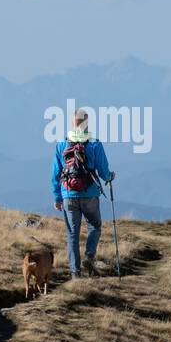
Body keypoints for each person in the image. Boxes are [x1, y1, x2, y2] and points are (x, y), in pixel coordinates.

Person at [52, 111, 114, 278]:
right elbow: (103, 171)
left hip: (68, 195)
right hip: (90, 194)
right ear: (87, 124)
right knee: (94, 225)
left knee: (72, 233)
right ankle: (89, 256)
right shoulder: (94, 144)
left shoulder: (61, 144)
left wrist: (57, 197)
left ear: (73, 123)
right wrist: (110, 177)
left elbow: (56, 174)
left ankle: (75, 272)